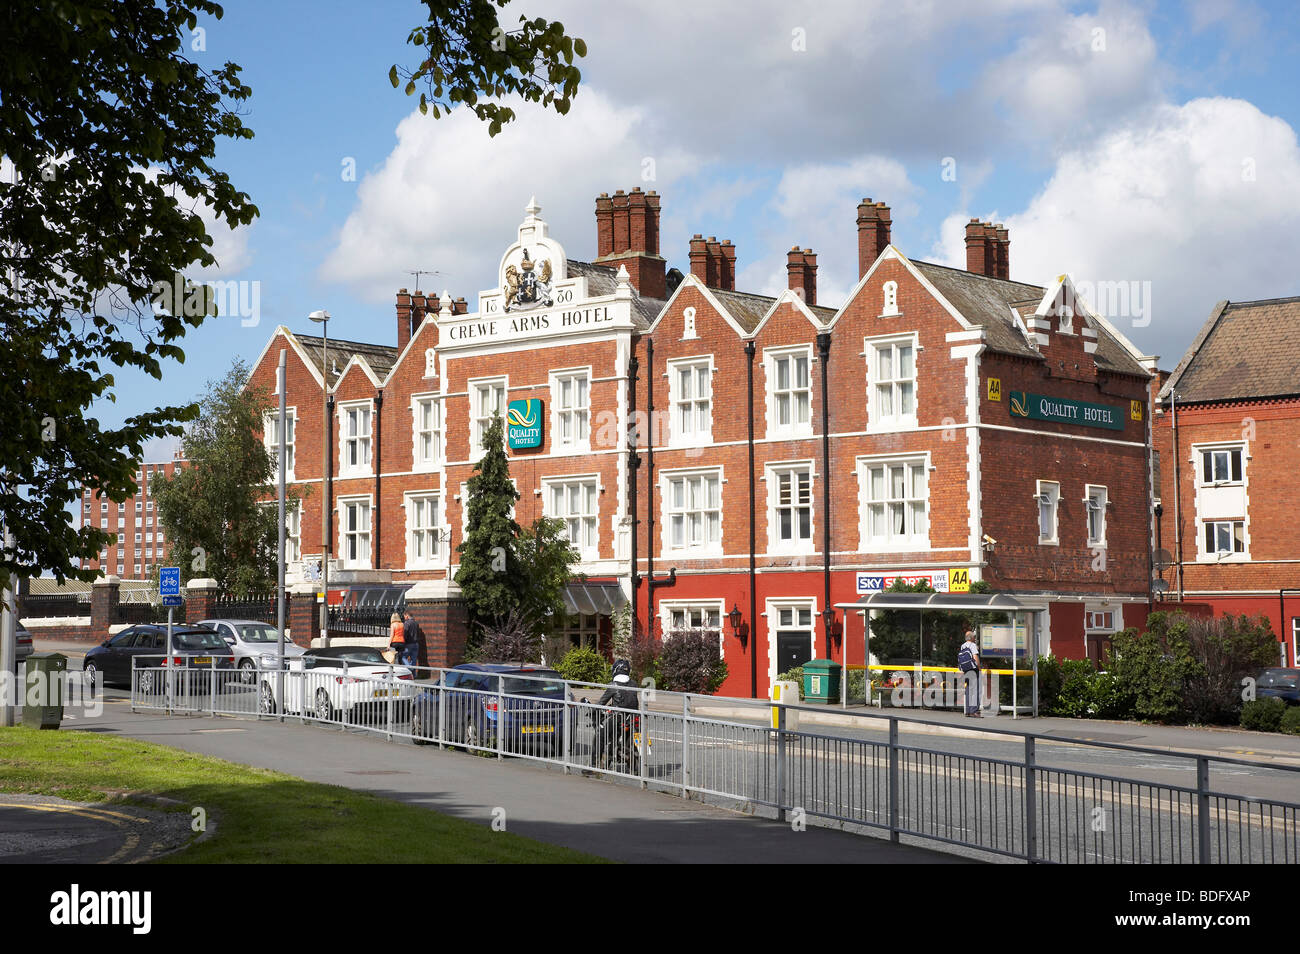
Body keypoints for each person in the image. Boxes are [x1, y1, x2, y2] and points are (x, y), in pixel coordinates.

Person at [596, 659, 639, 768]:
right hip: (634, 717)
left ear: (615, 670)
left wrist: (593, 708)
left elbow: (601, 702)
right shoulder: (634, 684)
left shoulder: (613, 685)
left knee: (600, 737)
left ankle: (593, 765)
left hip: (618, 718)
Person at [958, 627, 982, 717]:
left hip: (966, 670)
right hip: (973, 670)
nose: (975, 638)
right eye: (974, 637)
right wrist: (979, 667)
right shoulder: (972, 645)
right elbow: (975, 657)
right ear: (972, 638)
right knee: (976, 690)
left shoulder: (963, 646)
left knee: (968, 689)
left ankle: (968, 711)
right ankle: (974, 711)